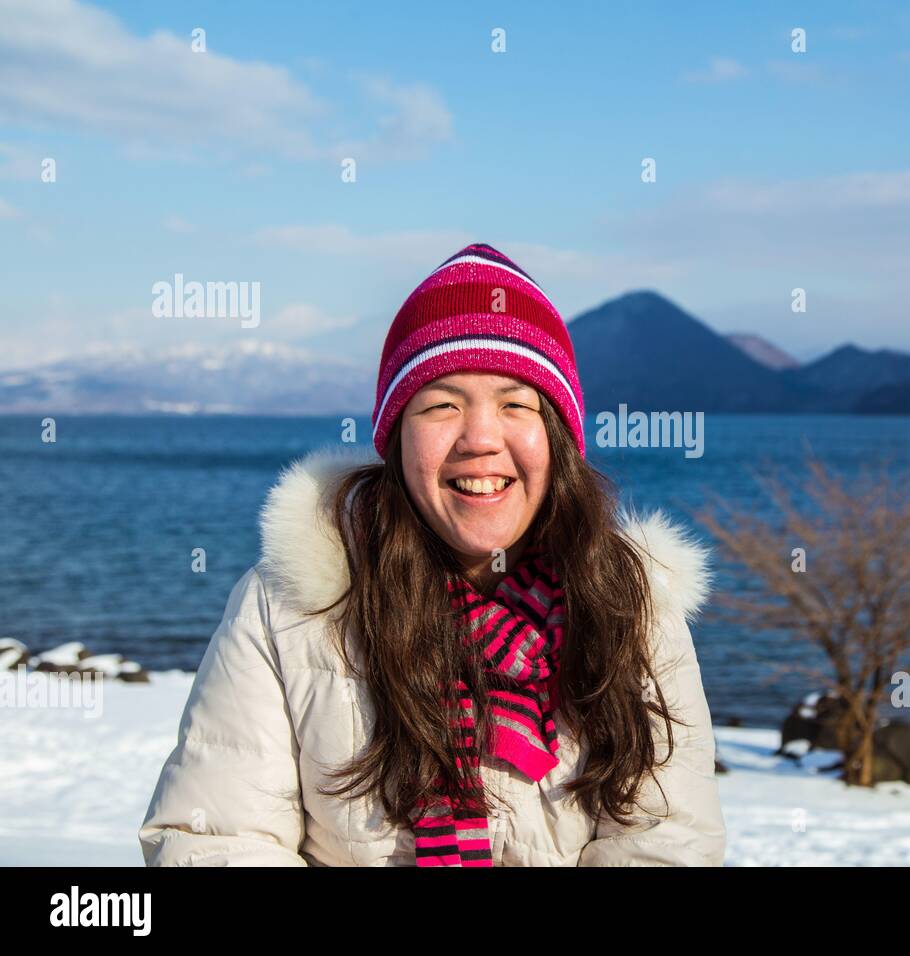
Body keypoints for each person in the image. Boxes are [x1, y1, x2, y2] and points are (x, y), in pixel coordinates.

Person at [138, 242, 726, 866]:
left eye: (515, 403)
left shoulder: (630, 608)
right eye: (442, 404)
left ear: (557, 437)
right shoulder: (289, 605)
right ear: (396, 437)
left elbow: (665, 845)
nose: (479, 439)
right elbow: (214, 840)